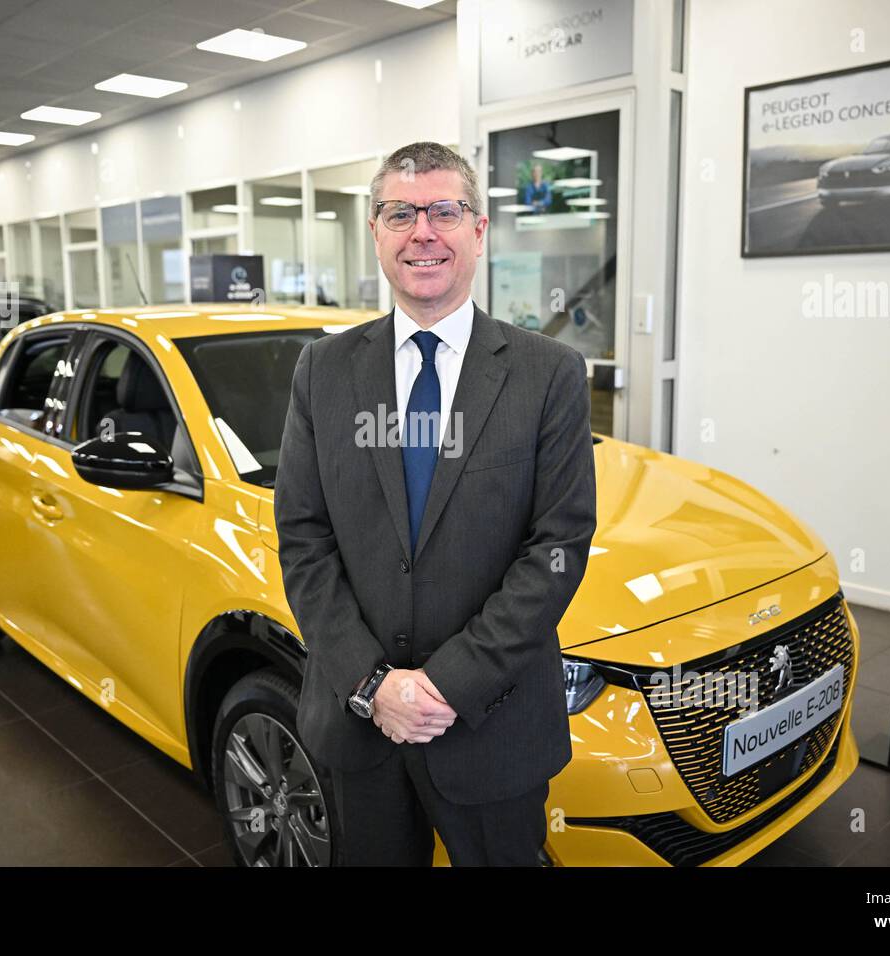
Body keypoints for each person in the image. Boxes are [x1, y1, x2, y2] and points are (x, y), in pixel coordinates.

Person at [273, 141, 596, 866]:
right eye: (400, 214)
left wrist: (448, 684)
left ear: (478, 232)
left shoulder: (548, 374)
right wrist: (370, 684)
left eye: (445, 211)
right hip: (362, 731)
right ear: (377, 234)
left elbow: (558, 545)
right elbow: (302, 537)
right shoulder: (323, 371)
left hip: (495, 728)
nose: (423, 231)